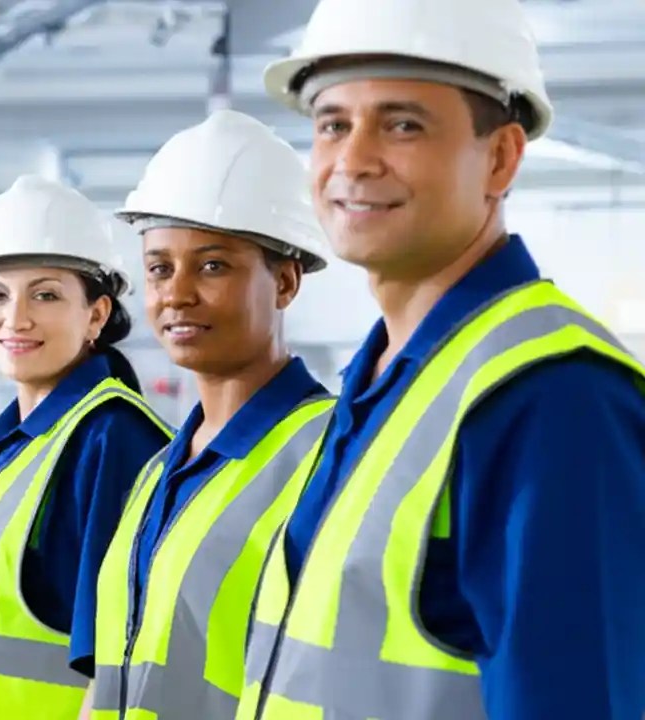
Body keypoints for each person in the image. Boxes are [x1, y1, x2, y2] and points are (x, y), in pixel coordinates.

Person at [237, 0, 645, 718]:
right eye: (333, 124)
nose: (353, 160)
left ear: (500, 156)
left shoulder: (552, 397)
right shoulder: (379, 388)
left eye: (402, 124)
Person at [85, 110, 336, 720]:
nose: (177, 293)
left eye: (213, 265)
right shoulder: (156, 476)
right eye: (159, 268)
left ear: (286, 282)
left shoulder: (328, 455)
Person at [0, 174, 174, 720]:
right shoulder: (13, 442)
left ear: (96, 315)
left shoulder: (113, 440)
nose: (16, 319)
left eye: (46, 294)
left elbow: (116, 673)